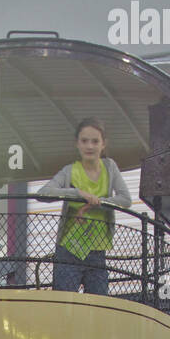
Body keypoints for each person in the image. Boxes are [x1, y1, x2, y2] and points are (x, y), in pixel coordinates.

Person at [39, 119, 132, 295]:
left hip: (97, 249)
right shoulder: (69, 171)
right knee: (65, 303)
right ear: (77, 144)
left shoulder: (110, 167)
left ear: (103, 144)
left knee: (99, 305)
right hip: (69, 248)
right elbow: (44, 193)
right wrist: (79, 194)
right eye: (84, 141)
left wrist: (96, 204)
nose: (90, 146)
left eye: (95, 141)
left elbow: (125, 199)